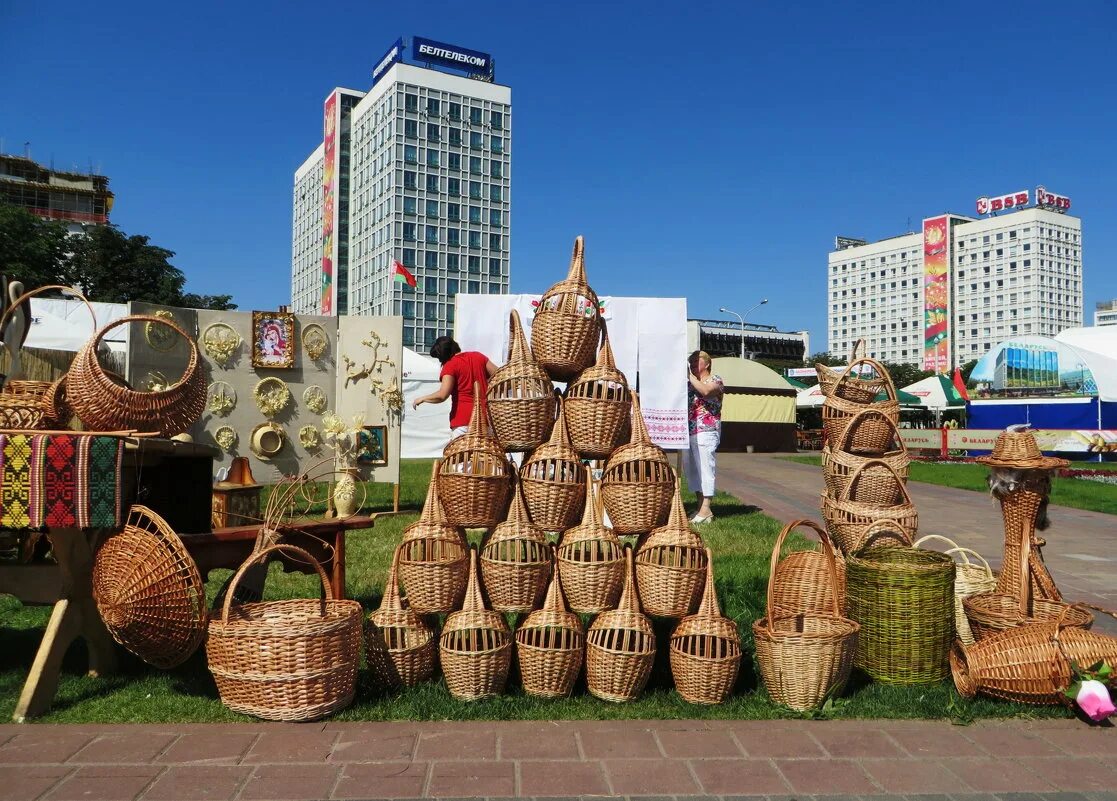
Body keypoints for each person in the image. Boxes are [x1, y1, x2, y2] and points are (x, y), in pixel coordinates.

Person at [412, 336, 498, 440]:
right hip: (486, 418)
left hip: (463, 421)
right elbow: (499, 376)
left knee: (460, 456)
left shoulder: (450, 365)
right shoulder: (479, 357)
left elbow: (442, 395)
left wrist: (422, 398)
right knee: (486, 454)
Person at [683, 350, 723, 524]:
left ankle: (706, 508)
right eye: (690, 361)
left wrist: (689, 376)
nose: (692, 364)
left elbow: (706, 392)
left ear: (707, 363)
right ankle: (701, 507)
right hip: (689, 431)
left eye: (695, 361)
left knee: (706, 467)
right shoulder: (691, 383)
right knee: (693, 470)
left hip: (706, 430)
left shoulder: (715, 380)